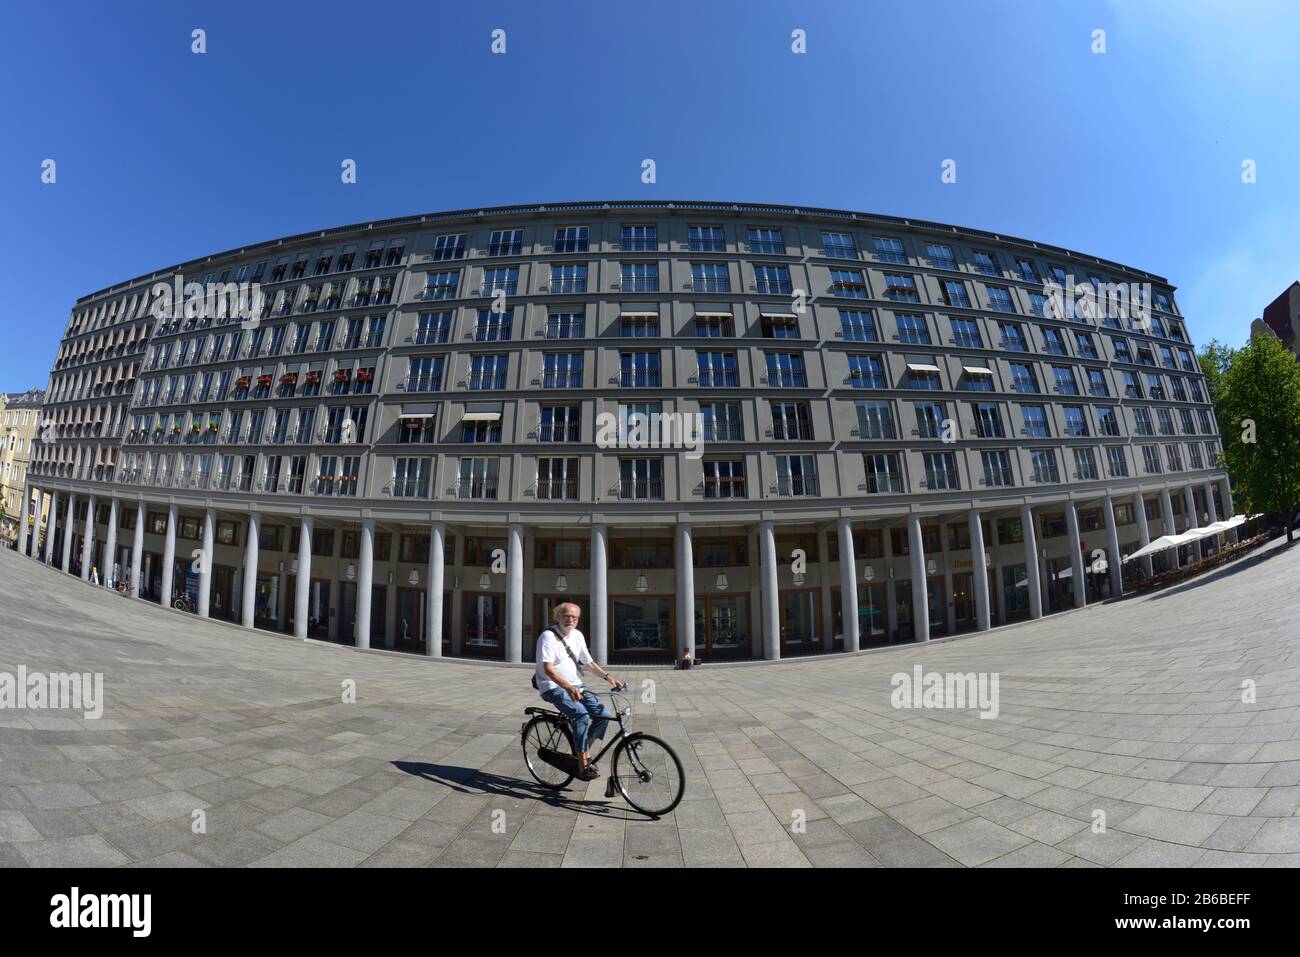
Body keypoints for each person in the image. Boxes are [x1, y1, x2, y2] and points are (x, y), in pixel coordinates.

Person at [534, 602, 624, 781]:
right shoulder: (547, 637)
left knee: (604, 714)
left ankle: (581, 751)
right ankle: (583, 763)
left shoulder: (577, 635)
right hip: (552, 686)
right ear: (557, 616)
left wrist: (608, 677)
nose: (571, 620)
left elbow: (588, 663)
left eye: (574, 617)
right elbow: (548, 670)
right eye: (567, 615)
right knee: (581, 715)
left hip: (576, 685)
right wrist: (567, 687)